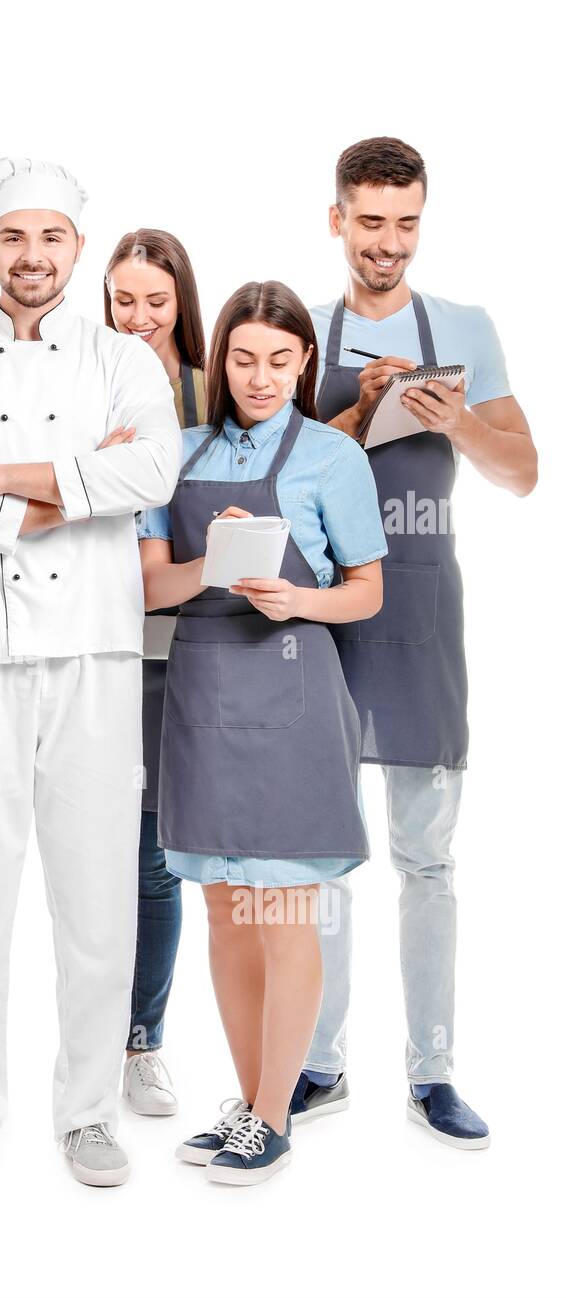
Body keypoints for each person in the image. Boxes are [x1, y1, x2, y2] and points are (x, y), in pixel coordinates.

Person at [0, 157, 181, 1187]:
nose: (33, 256)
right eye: (13, 237)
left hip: (98, 645)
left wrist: (3, 480)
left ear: (77, 247)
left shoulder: (125, 362)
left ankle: (89, 1108)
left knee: (97, 883)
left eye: (51, 237)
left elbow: (152, 469)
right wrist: (72, 490)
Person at [298, 137, 537, 1149]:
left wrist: (453, 420)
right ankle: (317, 1061)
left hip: (425, 613)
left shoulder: (466, 328)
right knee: (319, 855)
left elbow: (522, 471)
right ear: (336, 220)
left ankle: (432, 1072)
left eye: (405, 222)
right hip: (323, 620)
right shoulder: (297, 332)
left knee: (427, 857)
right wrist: (356, 412)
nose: (387, 242)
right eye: (370, 220)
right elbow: (270, 474)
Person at [141, 281, 387, 1184]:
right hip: (203, 690)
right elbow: (149, 586)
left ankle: (274, 1115)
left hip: (290, 690)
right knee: (223, 909)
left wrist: (298, 599)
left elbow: (367, 587)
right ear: (223, 360)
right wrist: (214, 563)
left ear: (305, 363)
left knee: (283, 911)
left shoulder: (332, 456)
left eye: (280, 360)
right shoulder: (178, 453)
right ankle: (252, 1104)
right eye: (243, 358)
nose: (260, 376)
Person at [105, 228, 206, 1117]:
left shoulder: (216, 394)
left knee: (157, 862)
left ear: (183, 304)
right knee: (95, 855)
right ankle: (95, 1037)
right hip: (101, 650)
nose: (138, 319)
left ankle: (143, 1041)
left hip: (194, 654)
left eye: (156, 302)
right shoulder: (86, 383)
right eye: (122, 301)